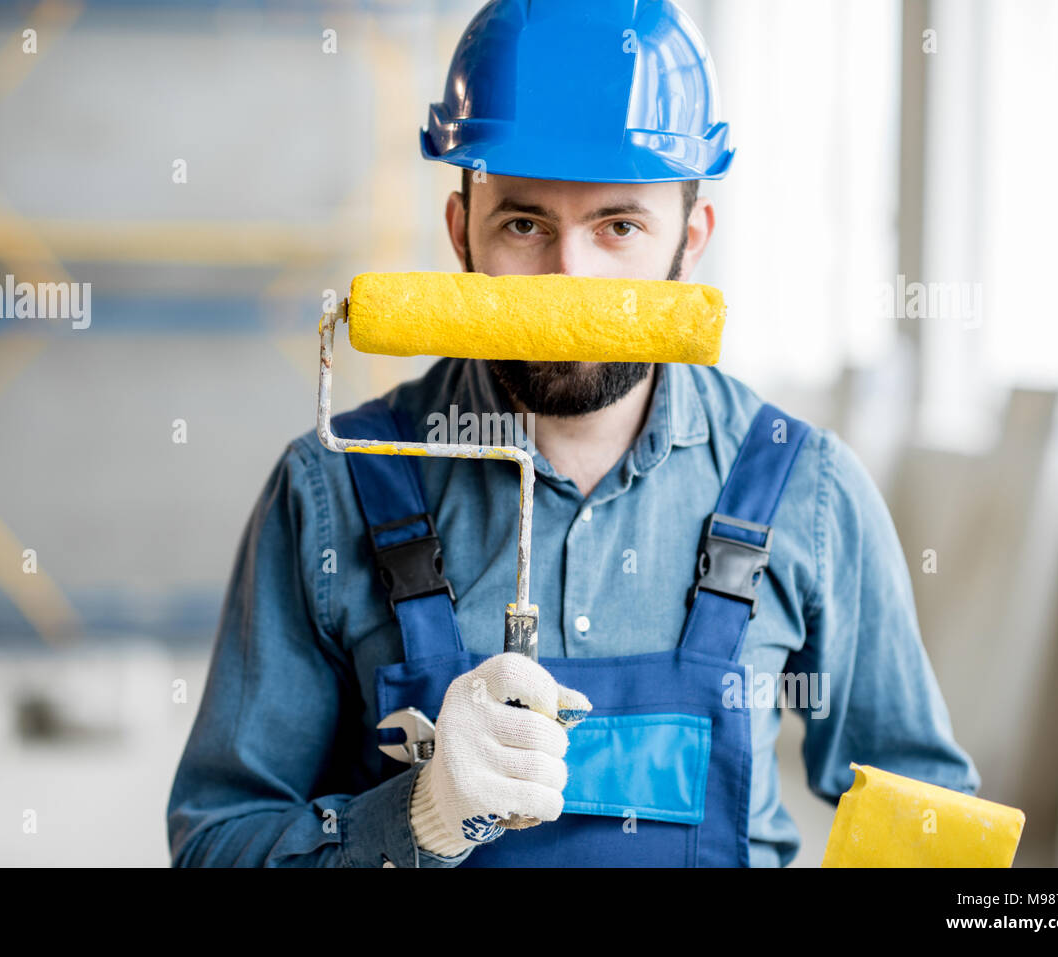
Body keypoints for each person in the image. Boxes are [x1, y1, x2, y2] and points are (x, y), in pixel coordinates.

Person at [167, 0, 980, 868]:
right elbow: (218, 842)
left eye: (618, 226)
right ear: (460, 234)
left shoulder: (806, 491)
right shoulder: (331, 488)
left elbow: (927, 820)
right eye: (525, 224)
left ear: (690, 242)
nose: (571, 279)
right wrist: (418, 815)